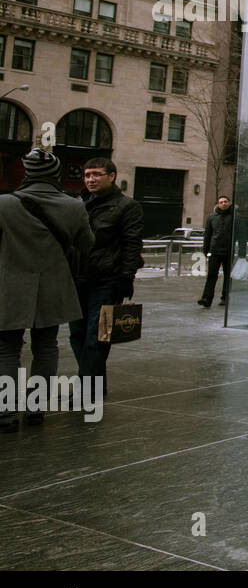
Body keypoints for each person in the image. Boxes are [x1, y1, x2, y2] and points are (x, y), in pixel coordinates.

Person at [0, 150, 94, 431]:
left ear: (26, 172)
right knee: (46, 346)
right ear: (56, 174)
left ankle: (5, 414)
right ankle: (35, 409)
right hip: (53, 285)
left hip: (9, 285)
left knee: (6, 349)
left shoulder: (4, 204)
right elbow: (88, 245)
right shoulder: (73, 205)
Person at [71, 157, 142, 395]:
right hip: (79, 278)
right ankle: (94, 386)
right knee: (78, 334)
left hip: (107, 281)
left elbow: (132, 244)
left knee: (96, 337)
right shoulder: (79, 203)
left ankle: (86, 388)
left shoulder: (127, 206)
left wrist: (126, 277)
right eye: (87, 174)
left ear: (111, 176)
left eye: (96, 174)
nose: (90, 179)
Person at [197, 196, 246, 308]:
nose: (223, 204)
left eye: (225, 202)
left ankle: (225, 298)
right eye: (221, 202)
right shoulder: (212, 217)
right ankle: (206, 298)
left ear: (229, 203)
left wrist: (242, 252)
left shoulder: (236, 218)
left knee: (227, 276)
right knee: (211, 275)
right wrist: (205, 250)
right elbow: (208, 235)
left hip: (228, 251)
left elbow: (242, 236)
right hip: (215, 251)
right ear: (218, 204)